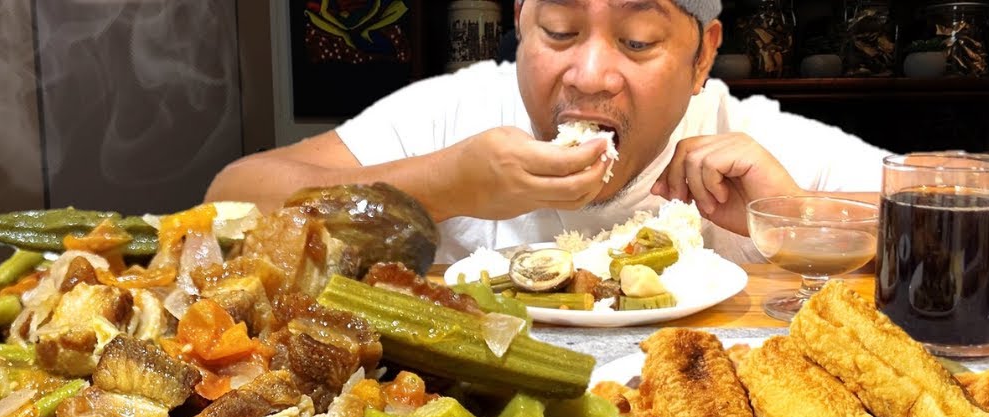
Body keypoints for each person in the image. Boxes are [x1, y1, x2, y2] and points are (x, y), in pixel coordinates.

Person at [205, 0, 890, 264]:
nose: (591, 74)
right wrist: (446, 184)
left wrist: (797, 216)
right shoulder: (456, 111)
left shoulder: (735, 135)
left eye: (639, 40)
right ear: (522, 25)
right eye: (559, 32)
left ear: (702, 56)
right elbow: (231, 195)